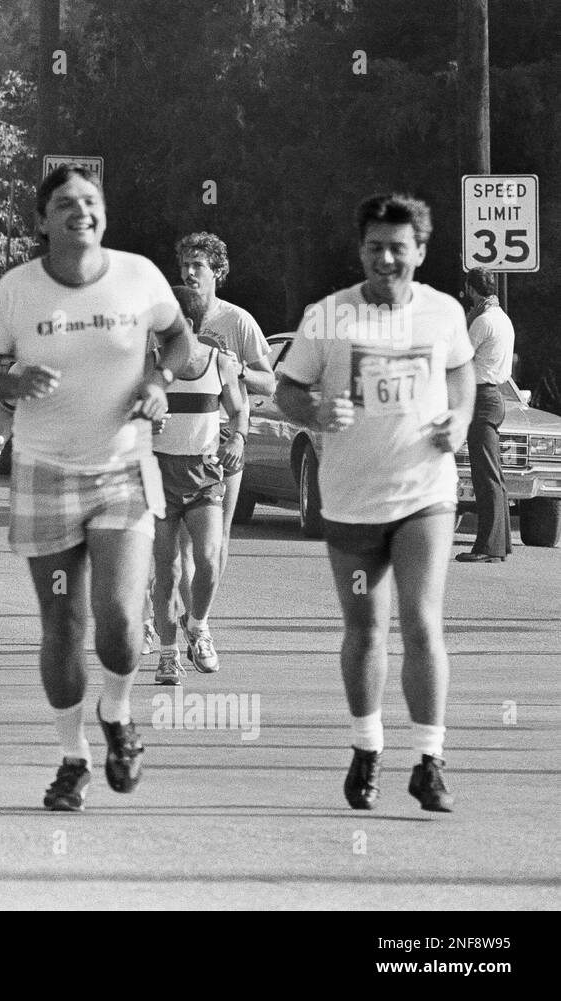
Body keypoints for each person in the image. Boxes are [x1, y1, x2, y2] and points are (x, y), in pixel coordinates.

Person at [0, 165, 188, 811]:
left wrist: (157, 383)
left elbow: (177, 337)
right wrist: (10, 384)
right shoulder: (18, 291)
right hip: (44, 471)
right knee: (63, 623)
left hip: (123, 468)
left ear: (104, 214)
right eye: (65, 204)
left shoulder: (139, 276)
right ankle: (72, 758)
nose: (80, 212)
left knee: (120, 620)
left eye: (90, 201)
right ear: (43, 220)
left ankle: (117, 714)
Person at [275, 193, 473, 813]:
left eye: (398, 247)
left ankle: (430, 762)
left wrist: (460, 421)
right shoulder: (328, 317)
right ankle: (367, 749)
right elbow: (287, 390)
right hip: (353, 501)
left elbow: (463, 375)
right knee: (365, 628)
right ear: (361, 250)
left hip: (425, 494)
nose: (386, 259)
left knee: (420, 620)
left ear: (420, 250)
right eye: (374, 248)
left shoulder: (442, 313)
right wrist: (313, 410)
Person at [170, 233, 275, 629]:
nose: (189, 271)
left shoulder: (236, 320)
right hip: (179, 441)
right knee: (181, 538)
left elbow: (270, 382)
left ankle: (201, 618)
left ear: (217, 271)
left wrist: (238, 369)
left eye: (198, 265)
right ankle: (187, 612)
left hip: (224, 440)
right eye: (185, 265)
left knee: (216, 538)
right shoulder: (173, 316)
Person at [150, 286, 248, 683]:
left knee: (208, 558)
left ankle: (199, 625)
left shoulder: (219, 363)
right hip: (157, 476)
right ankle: (168, 654)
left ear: (187, 325)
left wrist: (238, 439)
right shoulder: (150, 364)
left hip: (204, 476)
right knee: (167, 568)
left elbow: (239, 411)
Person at [456, 267, 515, 563]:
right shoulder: (502, 318)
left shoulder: (482, 321)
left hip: (482, 398)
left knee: (485, 476)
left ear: (472, 289)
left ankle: (487, 547)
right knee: (494, 474)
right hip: (495, 395)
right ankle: (500, 545)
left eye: (468, 289)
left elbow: (461, 357)